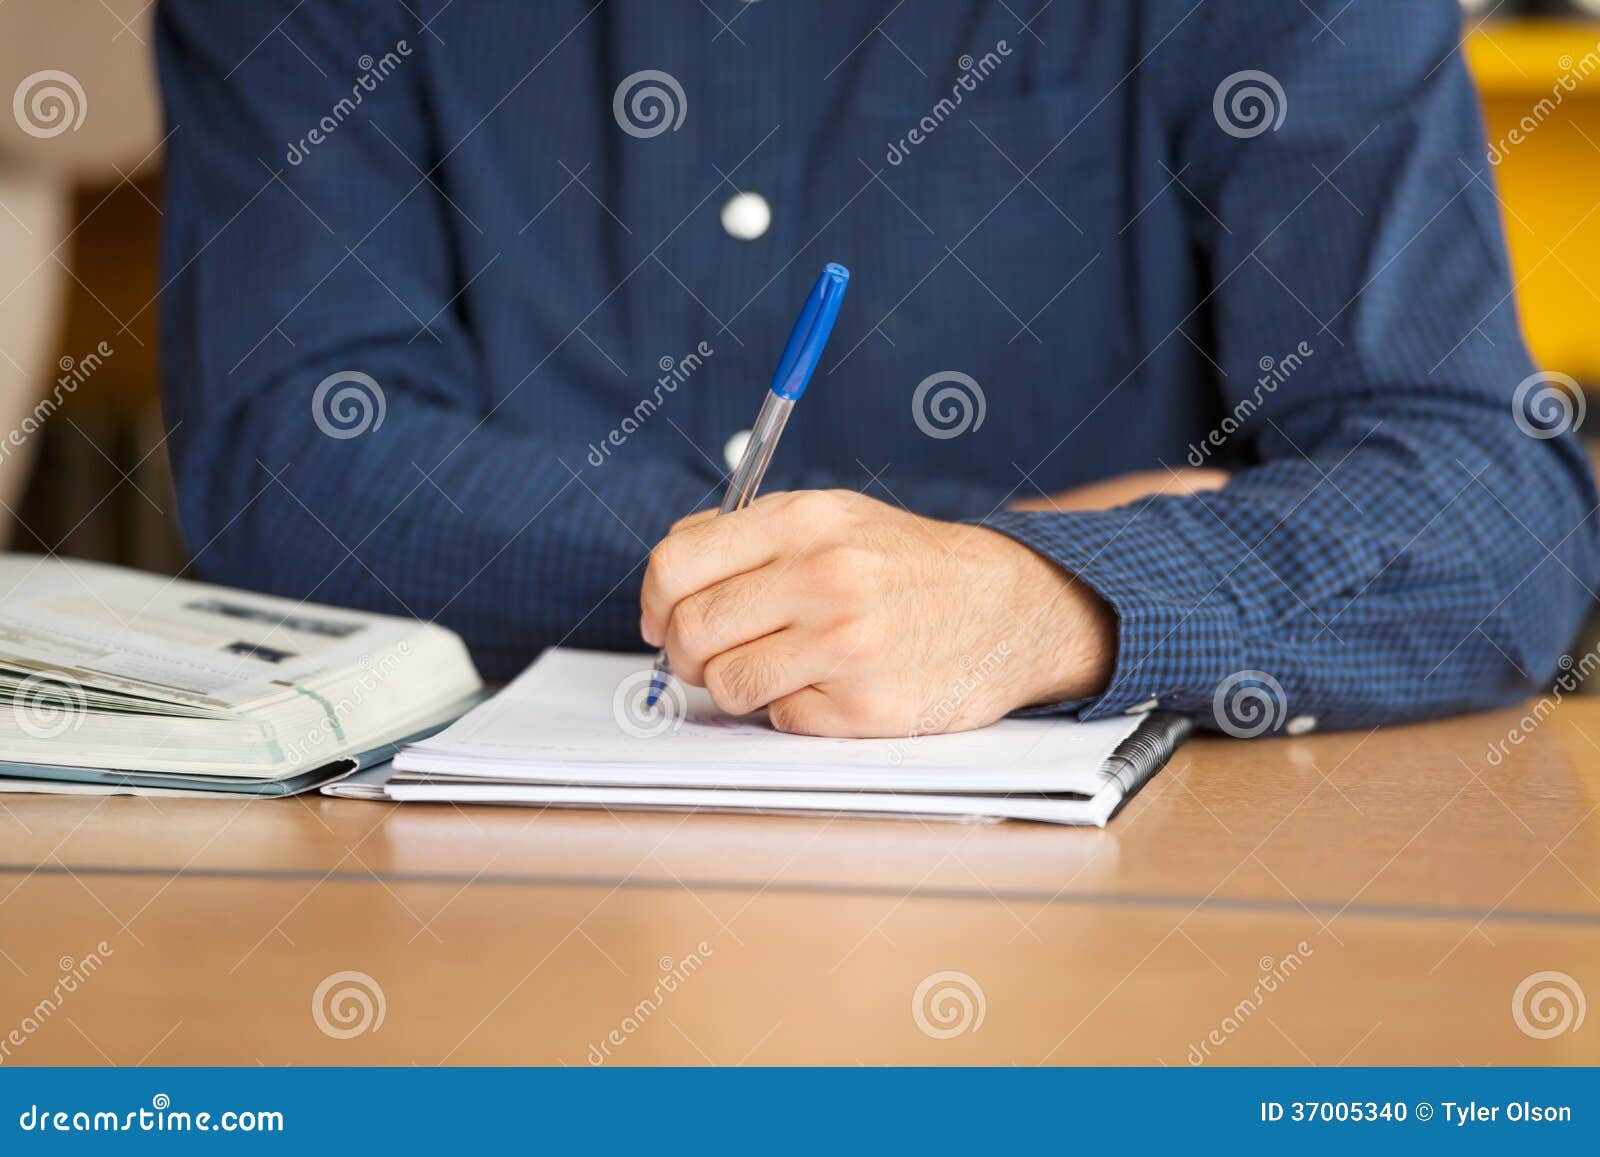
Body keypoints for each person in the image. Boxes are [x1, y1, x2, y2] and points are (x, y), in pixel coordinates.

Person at [155, 1, 1598, 738]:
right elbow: (289, 456)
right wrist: (974, 560)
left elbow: (1493, 510)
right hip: (462, 938)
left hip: (1127, 961)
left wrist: (1047, 607)